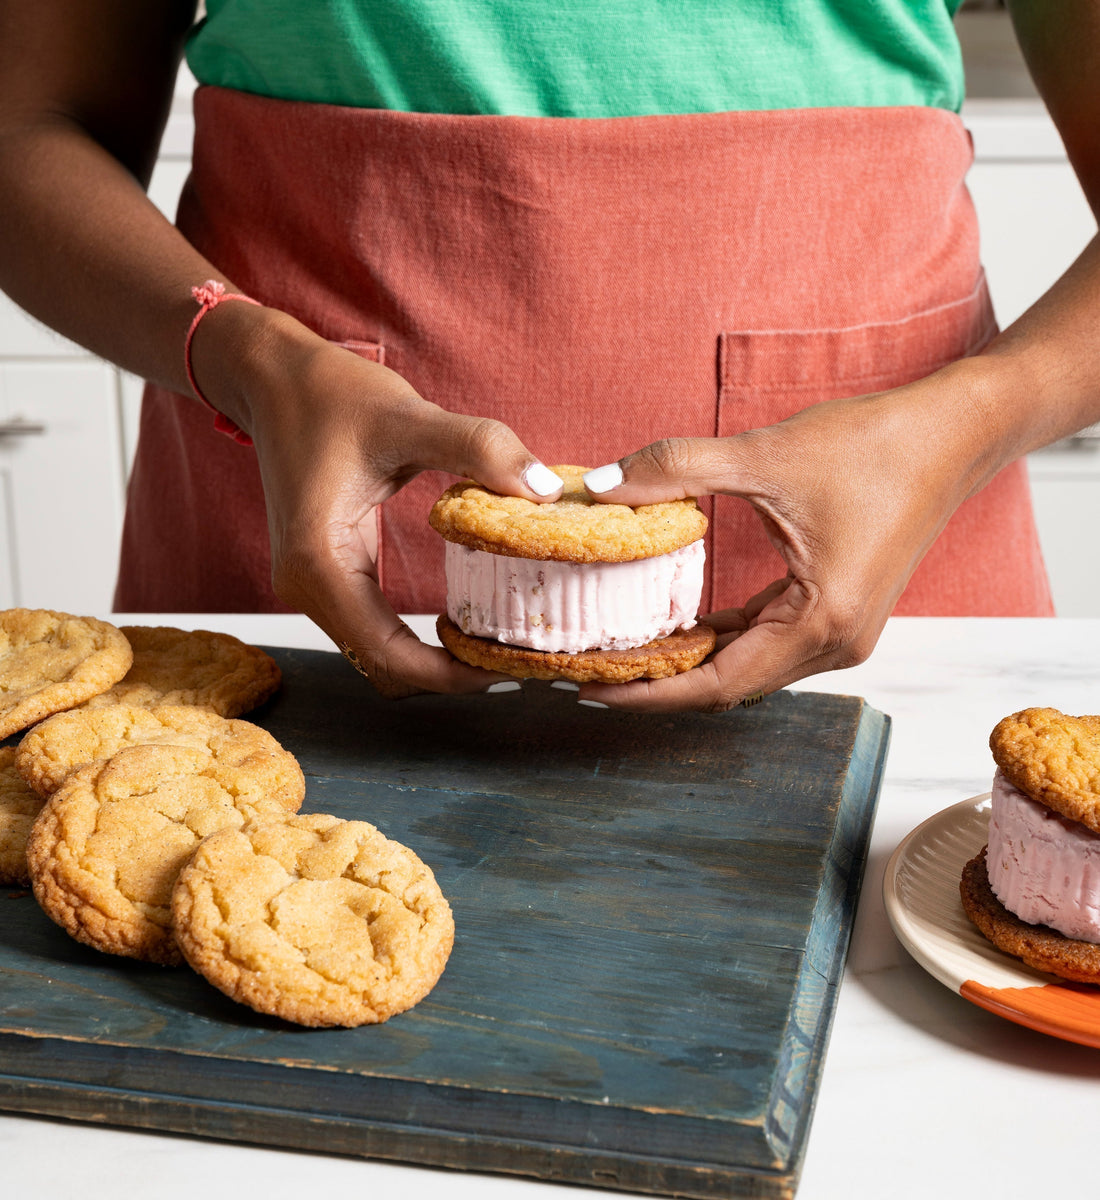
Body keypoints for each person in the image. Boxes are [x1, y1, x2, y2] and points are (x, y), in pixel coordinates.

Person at [0, 1, 1095, 713]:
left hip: (898, 551)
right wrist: (250, 357)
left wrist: (964, 421)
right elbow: (26, 131)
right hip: (291, 556)